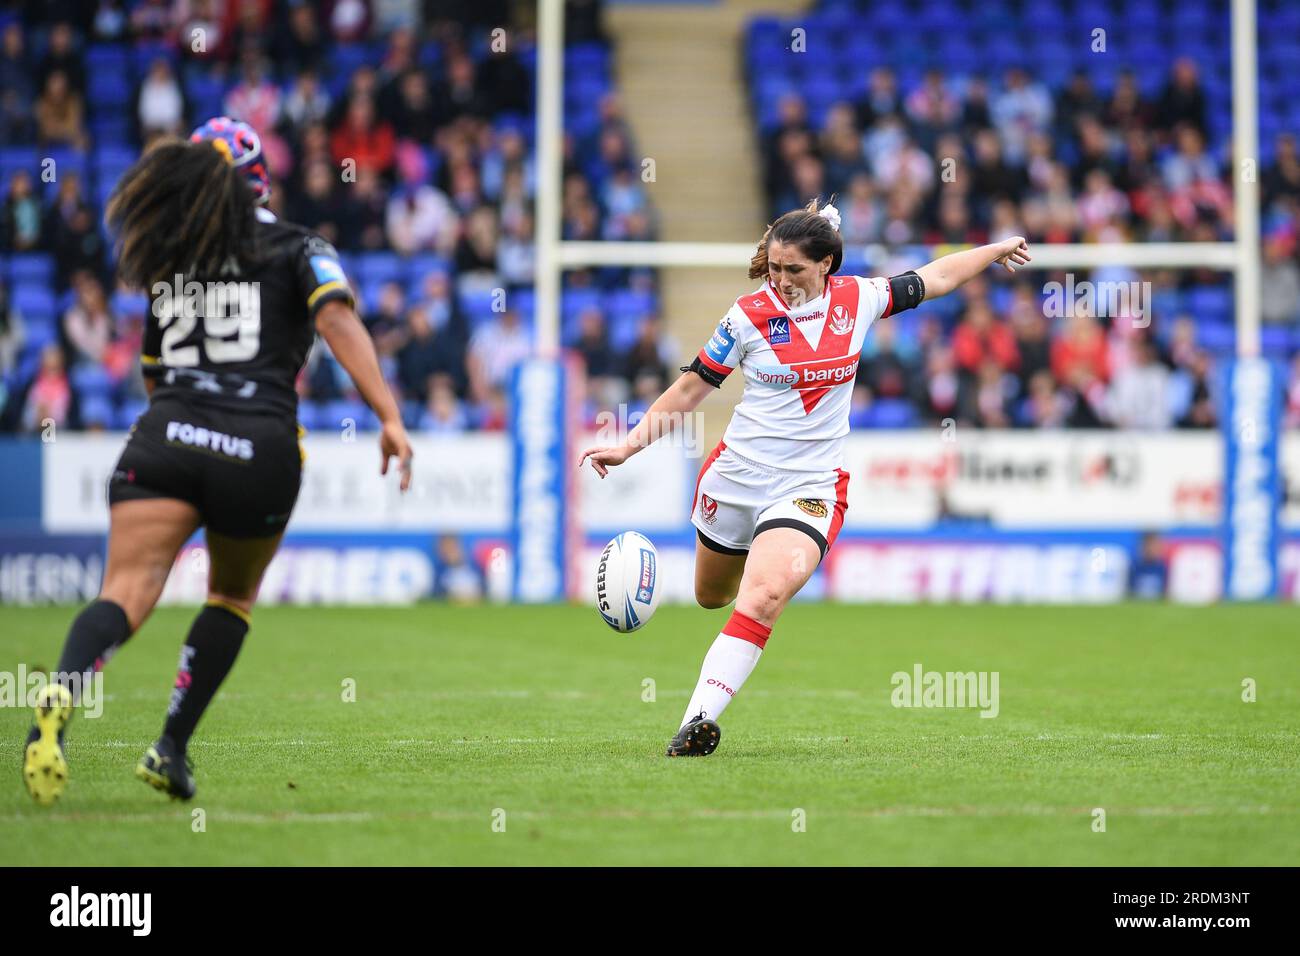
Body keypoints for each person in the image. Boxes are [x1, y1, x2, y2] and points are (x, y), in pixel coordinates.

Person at [22, 118, 414, 806]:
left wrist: (181, 423)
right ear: (262, 179)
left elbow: (153, 373)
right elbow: (337, 320)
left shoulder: (171, 261)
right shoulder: (300, 246)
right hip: (257, 446)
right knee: (230, 598)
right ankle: (170, 745)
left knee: (124, 591)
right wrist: (387, 414)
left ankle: (63, 688)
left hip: (165, 436)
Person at [579, 198, 1030, 756]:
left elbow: (935, 277)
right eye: (774, 268)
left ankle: (696, 721)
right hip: (736, 480)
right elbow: (692, 387)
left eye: (794, 270)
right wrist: (629, 445)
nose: (782, 280)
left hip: (809, 486)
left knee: (764, 595)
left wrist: (994, 250)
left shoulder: (861, 299)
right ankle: (755, 549)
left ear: (827, 265)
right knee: (711, 596)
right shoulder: (746, 316)